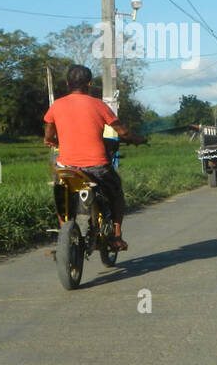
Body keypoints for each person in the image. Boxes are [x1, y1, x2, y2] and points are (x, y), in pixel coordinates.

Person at [43, 65, 145, 251]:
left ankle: (63, 233)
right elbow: (123, 132)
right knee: (116, 192)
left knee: (61, 194)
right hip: (97, 168)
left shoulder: (57, 105)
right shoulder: (99, 105)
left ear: (67, 84)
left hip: (67, 167)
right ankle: (116, 236)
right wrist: (136, 139)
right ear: (89, 84)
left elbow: (48, 135)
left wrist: (51, 140)